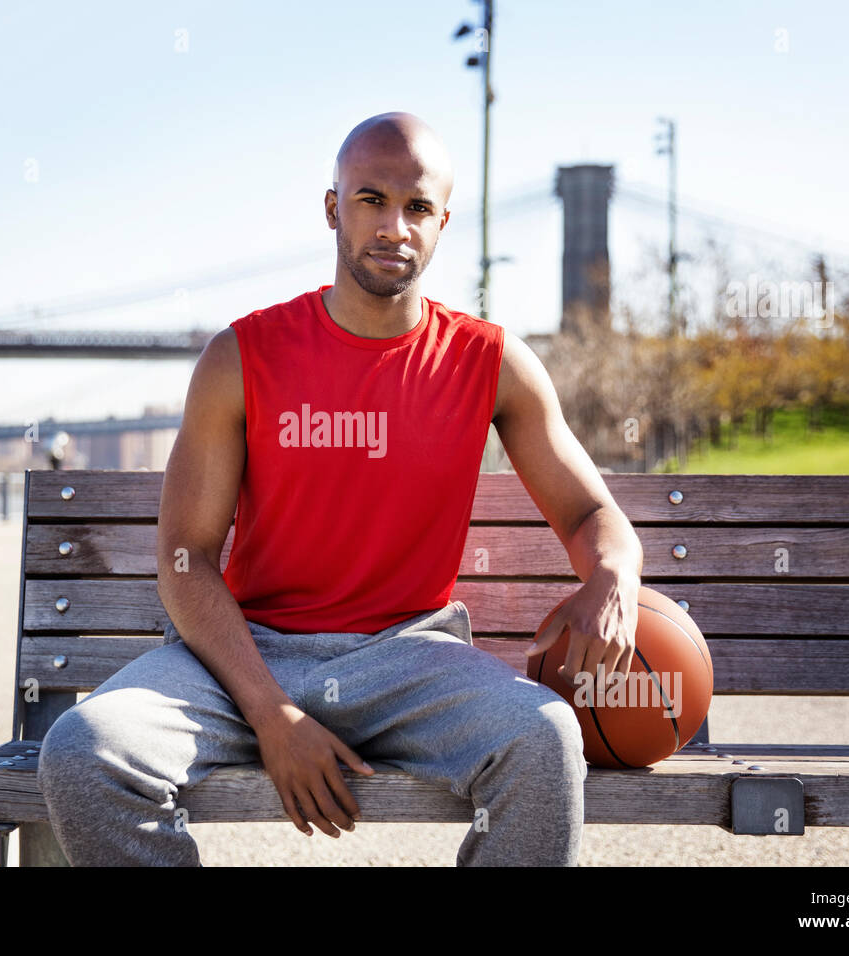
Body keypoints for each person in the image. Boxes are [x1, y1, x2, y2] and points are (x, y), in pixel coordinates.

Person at [37, 111, 643, 866]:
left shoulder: (493, 362)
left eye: (417, 207)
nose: (394, 226)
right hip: (243, 660)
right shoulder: (241, 357)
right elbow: (185, 558)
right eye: (371, 200)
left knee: (545, 739)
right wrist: (273, 714)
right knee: (84, 749)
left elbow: (592, 512)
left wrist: (613, 572)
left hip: (410, 659)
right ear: (333, 208)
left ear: (442, 222)